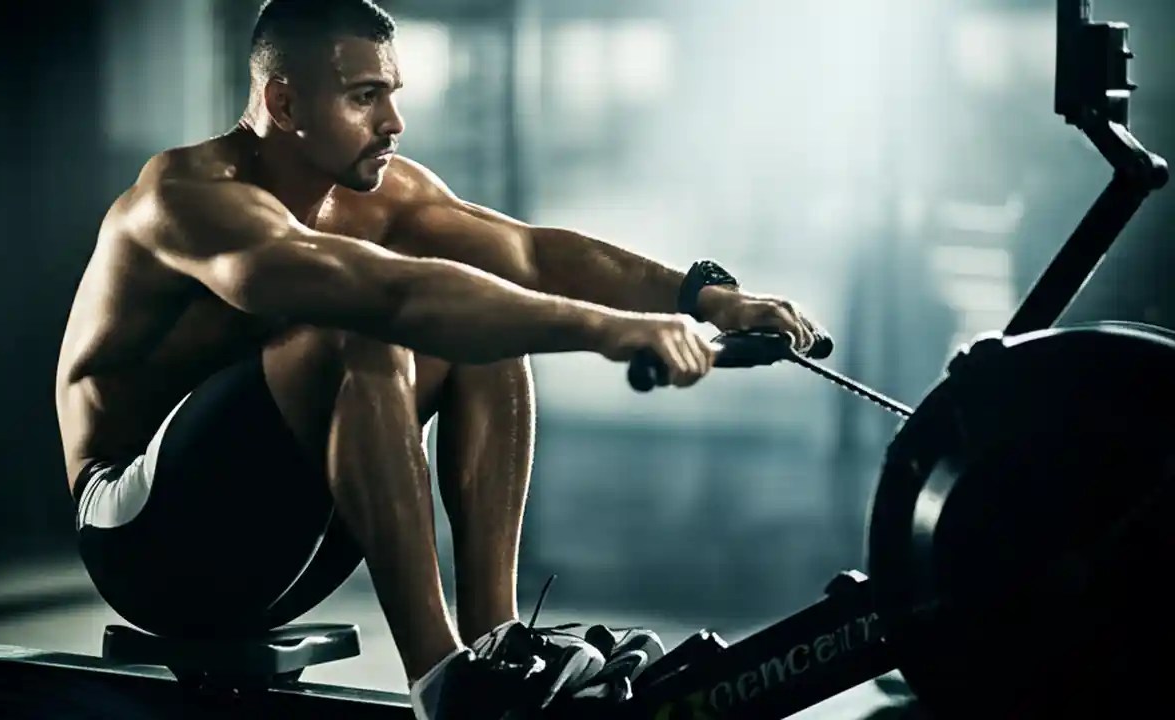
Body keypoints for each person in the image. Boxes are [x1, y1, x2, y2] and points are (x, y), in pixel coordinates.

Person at [54, 0, 827, 716]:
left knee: (481, 315)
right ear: (285, 104)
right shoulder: (187, 195)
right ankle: (443, 682)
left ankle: (494, 643)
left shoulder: (381, 192)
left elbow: (528, 253)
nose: (393, 121)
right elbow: (383, 296)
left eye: (392, 92)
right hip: (146, 543)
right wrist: (613, 331)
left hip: (282, 537)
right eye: (364, 97)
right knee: (366, 323)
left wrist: (707, 298)